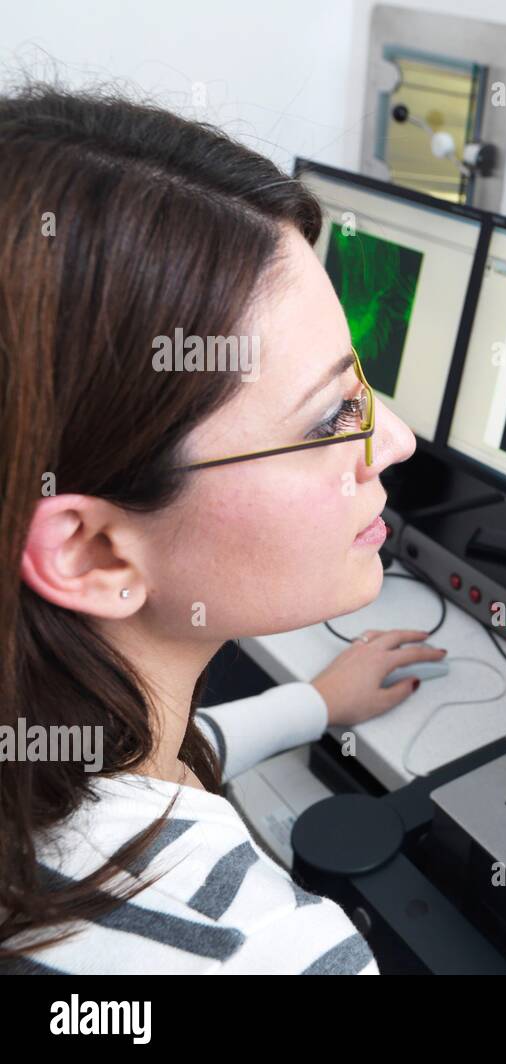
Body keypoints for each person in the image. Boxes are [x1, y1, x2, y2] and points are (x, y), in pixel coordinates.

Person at [0, 85, 445, 973]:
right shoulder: (268, 953)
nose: (394, 441)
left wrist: (313, 704)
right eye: (331, 418)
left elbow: (115, 770)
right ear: (91, 552)